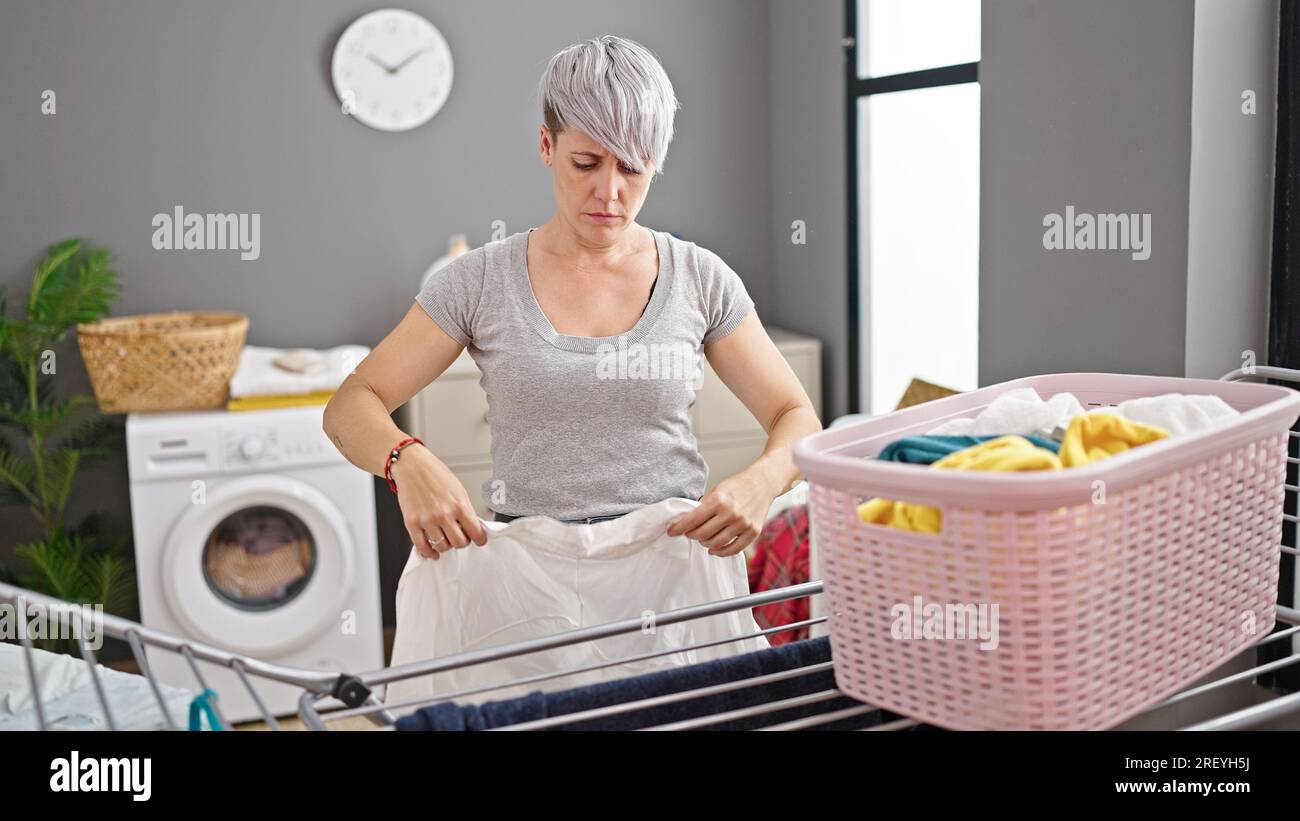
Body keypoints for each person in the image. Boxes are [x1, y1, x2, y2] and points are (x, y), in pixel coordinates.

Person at [323, 34, 821, 562]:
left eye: (632, 167)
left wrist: (762, 483)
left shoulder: (700, 278)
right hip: (533, 572)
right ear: (546, 145)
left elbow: (797, 415)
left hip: (672, 568)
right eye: (586, 163)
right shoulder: (480, 280)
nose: (609, 192)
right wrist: (406, 458)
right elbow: (350, 405)